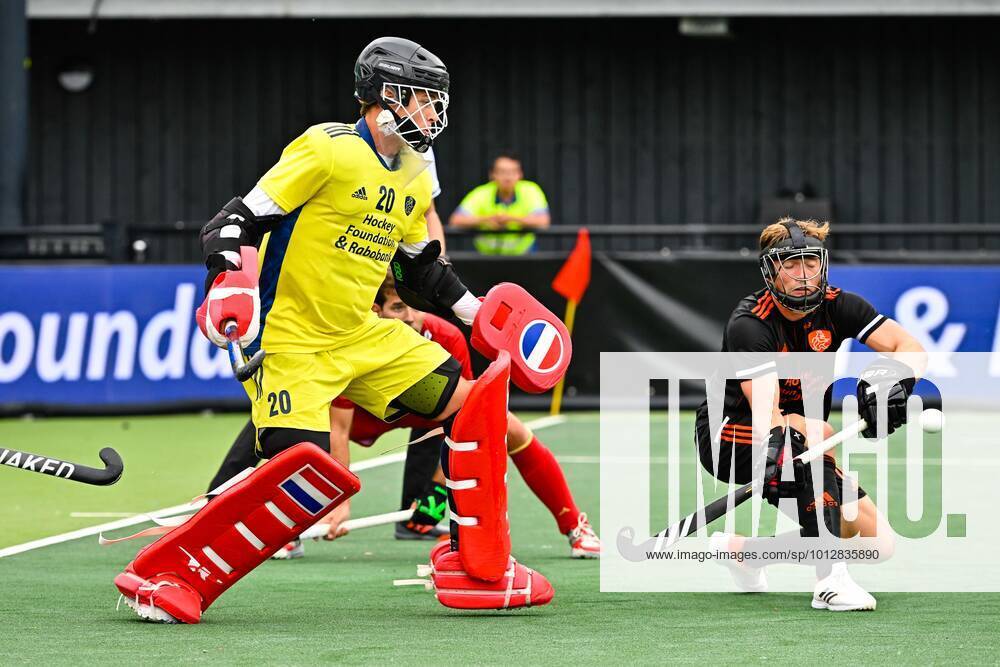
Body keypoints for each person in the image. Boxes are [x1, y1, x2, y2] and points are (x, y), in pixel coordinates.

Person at [113, 36, 559, 624]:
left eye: (437, 102)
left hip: (362, 334)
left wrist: (477, 315)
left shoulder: (415, 172)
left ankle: (477, 566)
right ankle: (165, 576)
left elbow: (420, 267)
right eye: (424, 99)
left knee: (471, 406)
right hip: (290, 340)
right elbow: (233, 222)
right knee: (303, 476)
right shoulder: (326, 148)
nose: (434, 113)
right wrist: (226, 282)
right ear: (384, 95)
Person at [210, 275, 600, 560]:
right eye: (398, 308)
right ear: (375, 311)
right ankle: (237, 516)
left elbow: (466, 422)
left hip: (420, 410)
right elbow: (339, 434)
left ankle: (574, 527)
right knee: (278, 428)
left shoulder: (445, 337)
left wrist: (442, 495)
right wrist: (337, 505)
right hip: (354, 414)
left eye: (414, 306)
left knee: (507, 426)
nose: (412, 317)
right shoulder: (352, 342)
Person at [695, 217, 925, 612]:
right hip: (730, 435)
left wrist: (896, 380)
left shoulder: (840, 306)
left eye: (810, 262)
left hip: (800, 436)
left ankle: (744, 553)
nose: (803, 274)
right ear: (771, 271)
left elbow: (909, 347)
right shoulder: (751, 324)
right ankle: (830, 581)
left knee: (876, 541)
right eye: (791, 264)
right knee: (815, 433)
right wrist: (791, 440)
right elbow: (769, 416)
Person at [448, 153, 549, 255]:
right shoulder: (481, 193)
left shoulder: (531, 190)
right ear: (492, 174)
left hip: (524, 256)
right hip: (486, 258)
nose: (508, 177)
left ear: (520, 174)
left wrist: (511, 219)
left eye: (513, 172)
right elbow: (456, 220)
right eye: (502, 172)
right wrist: (486, 219)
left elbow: (543, 221)